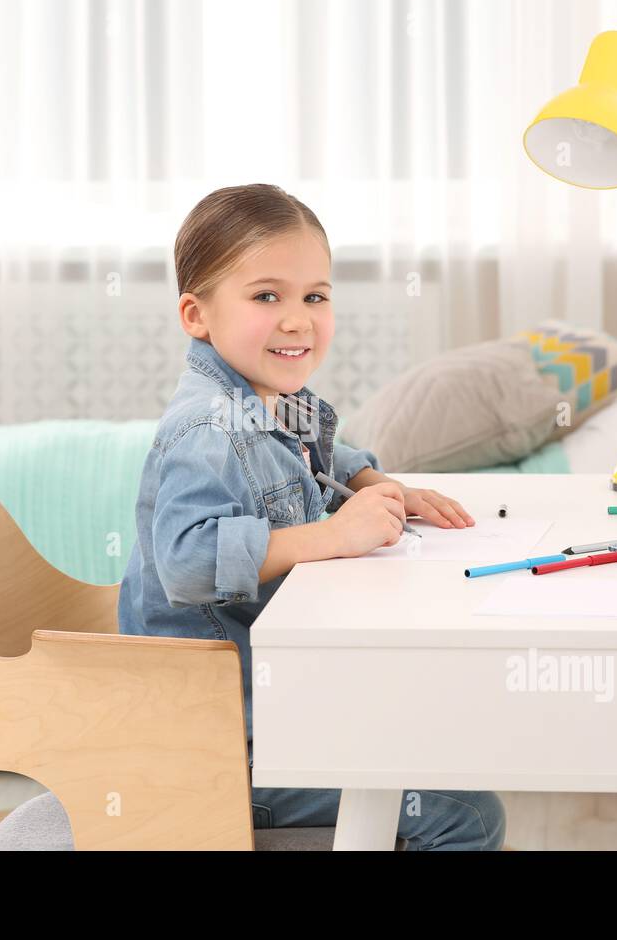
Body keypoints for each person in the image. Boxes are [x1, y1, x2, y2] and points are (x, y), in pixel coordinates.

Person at [118, 183, 505, 850]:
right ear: (196, 314)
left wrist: (371, 481)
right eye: (267, 296)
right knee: (465, 812)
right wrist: (332, 534)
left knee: (440, 724)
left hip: (275, 706)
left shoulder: (270, 397)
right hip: (217, 750)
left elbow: (319, 447)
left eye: (314, 297)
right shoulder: (207, 429)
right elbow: (185, 559)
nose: (297, 319)